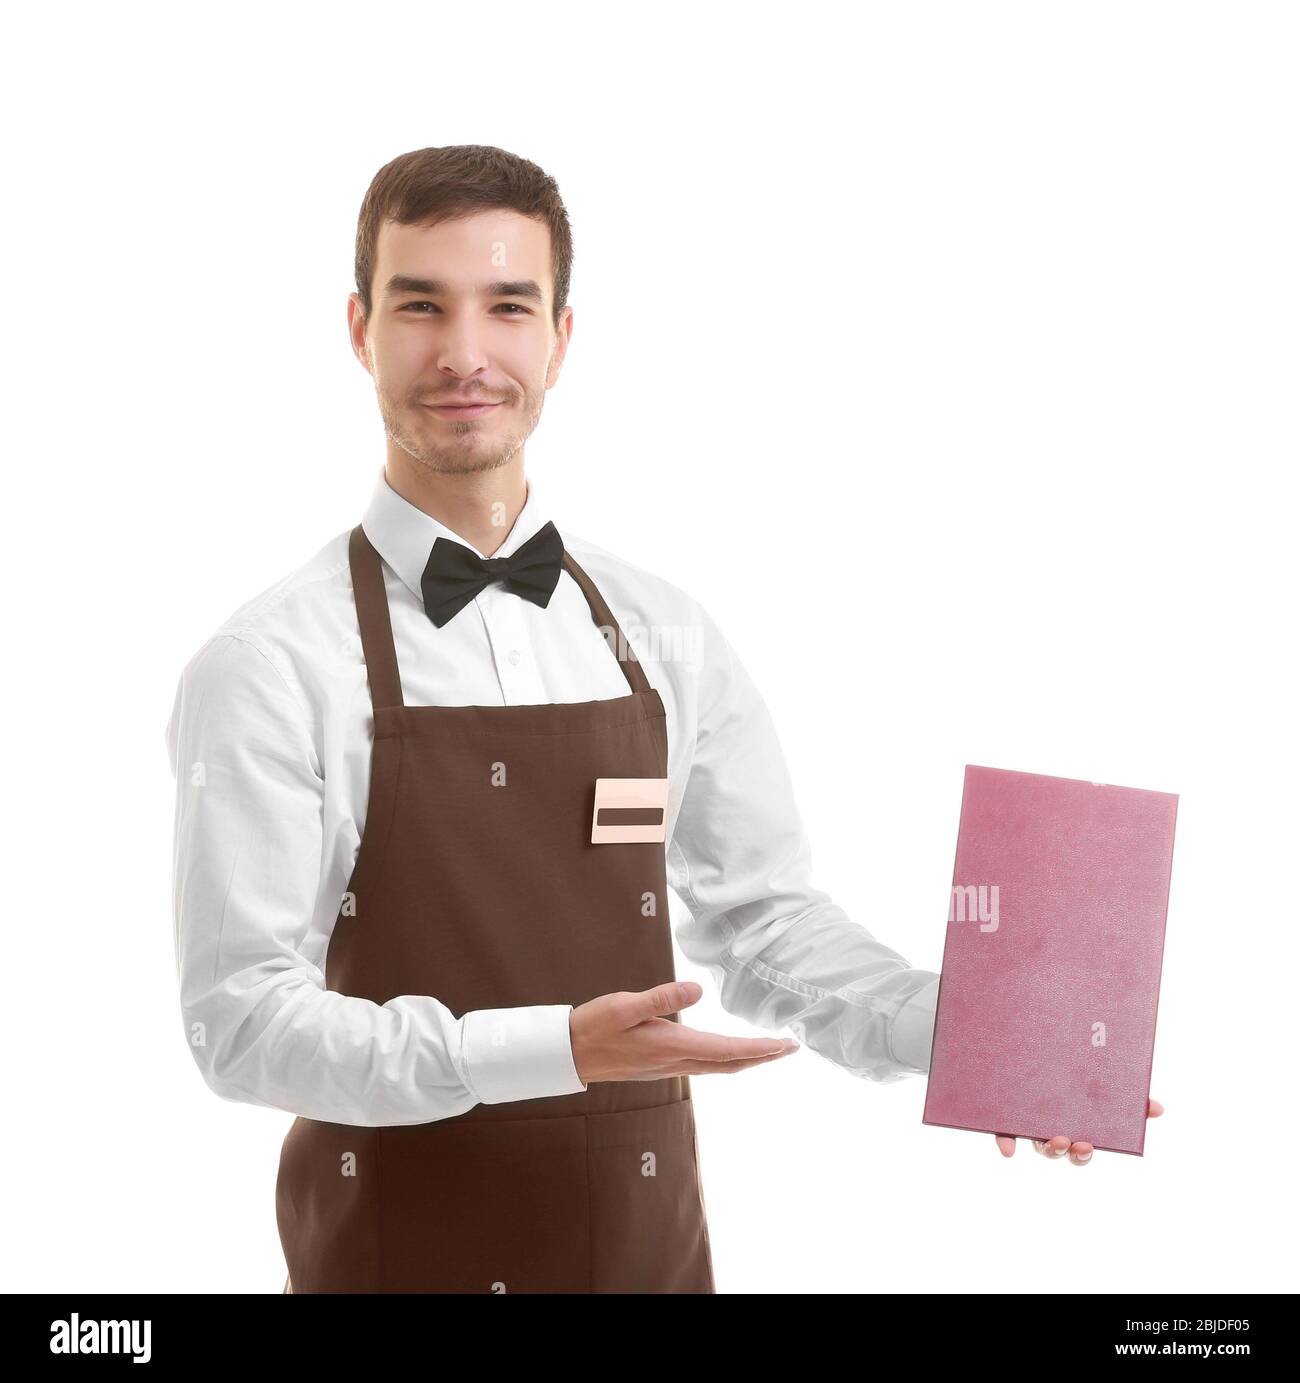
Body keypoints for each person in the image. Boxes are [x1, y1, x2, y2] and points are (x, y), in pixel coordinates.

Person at [166, 144, 1142, 1295]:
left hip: (648, 1256)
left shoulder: (663, 631)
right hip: (392, 1259)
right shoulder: (270, 665)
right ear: (359, 330)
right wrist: (556, 1049)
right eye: (420, 305)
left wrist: (984, 1041)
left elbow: (766, 921)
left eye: (507, 307)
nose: (465, 353)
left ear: (560, 339)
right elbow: (242, 1024)